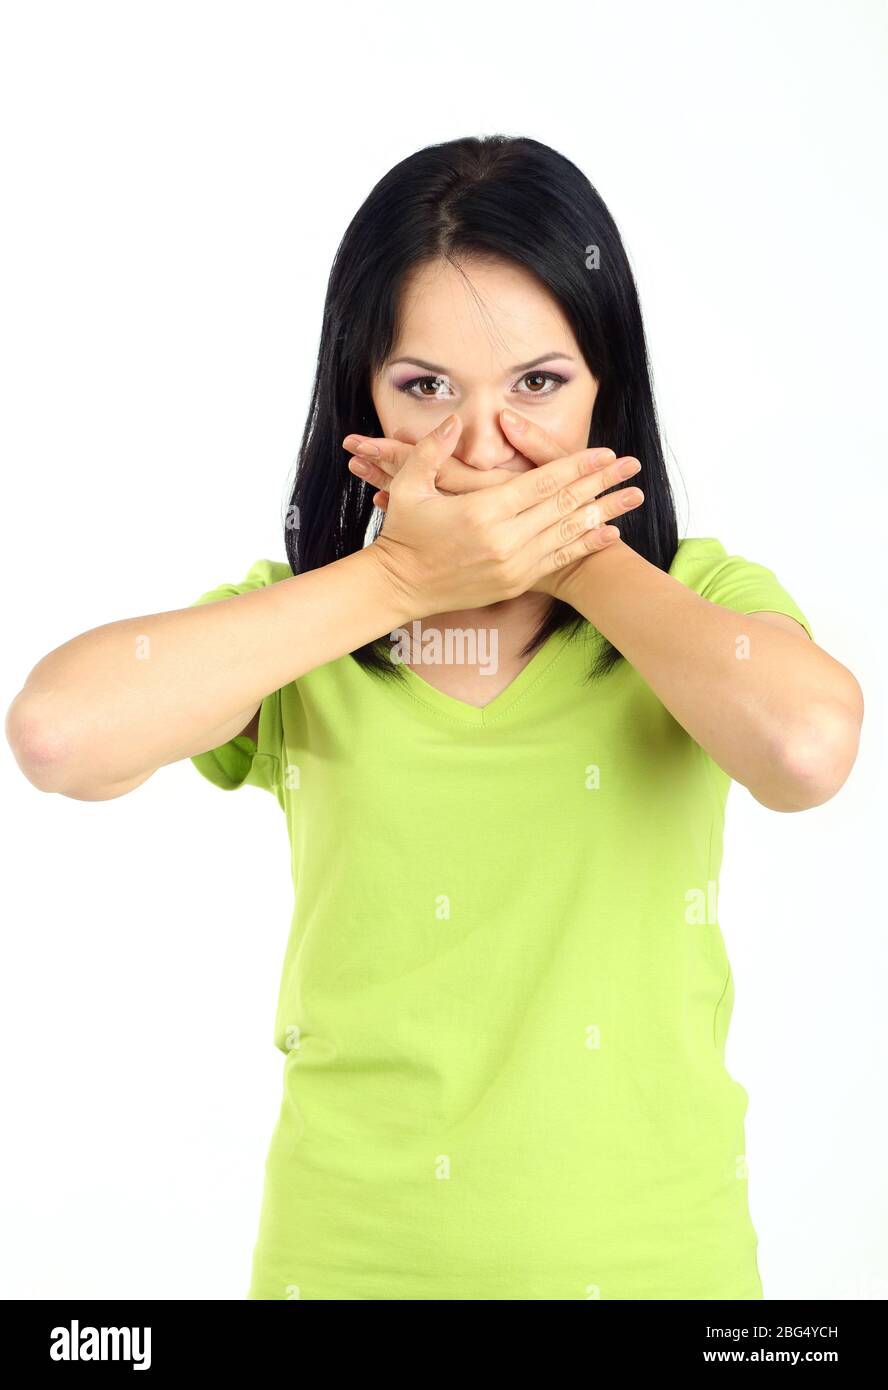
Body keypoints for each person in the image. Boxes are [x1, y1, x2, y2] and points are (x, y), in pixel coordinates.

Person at [6, 135, 863, 1301]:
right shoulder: (305, 627)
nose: (478, 443)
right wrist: (402, 582)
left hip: (661, 1276)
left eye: (539, 386)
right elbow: (56, 734)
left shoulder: (696, 604)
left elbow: (809, 750)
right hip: (346, 1271)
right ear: (361, 394)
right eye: (424, 388)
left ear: (609, 387)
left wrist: (570, 555)